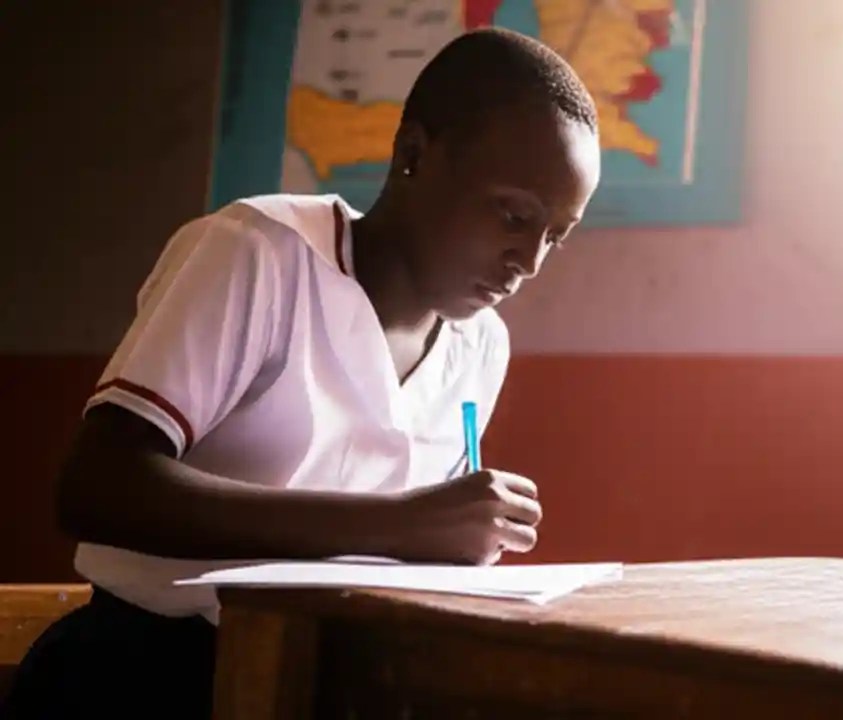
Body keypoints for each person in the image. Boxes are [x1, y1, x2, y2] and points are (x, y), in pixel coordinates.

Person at [0, 27, 601, 720]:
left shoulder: (480, 344)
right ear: (413, 155)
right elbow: (96, 486)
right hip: (144, 674)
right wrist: (397, 526)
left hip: (324, 678)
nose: (529, 260)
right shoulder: (259, 253)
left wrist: (451, 545)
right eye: (513, 215)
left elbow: (403, 550)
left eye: (556, 234)